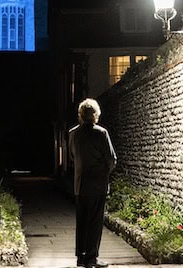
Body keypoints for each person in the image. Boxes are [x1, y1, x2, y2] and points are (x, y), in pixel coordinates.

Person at [67, 98, 117, 268]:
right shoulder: (101, 133)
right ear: (95, 114)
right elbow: (111, 159)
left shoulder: (73, 133)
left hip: (80, 184)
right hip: (97, 185)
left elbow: (72, 157)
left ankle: (80, 257)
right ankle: (91, 258)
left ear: (81, 114)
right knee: (95, 222)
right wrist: (104, 173)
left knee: (81, 221)